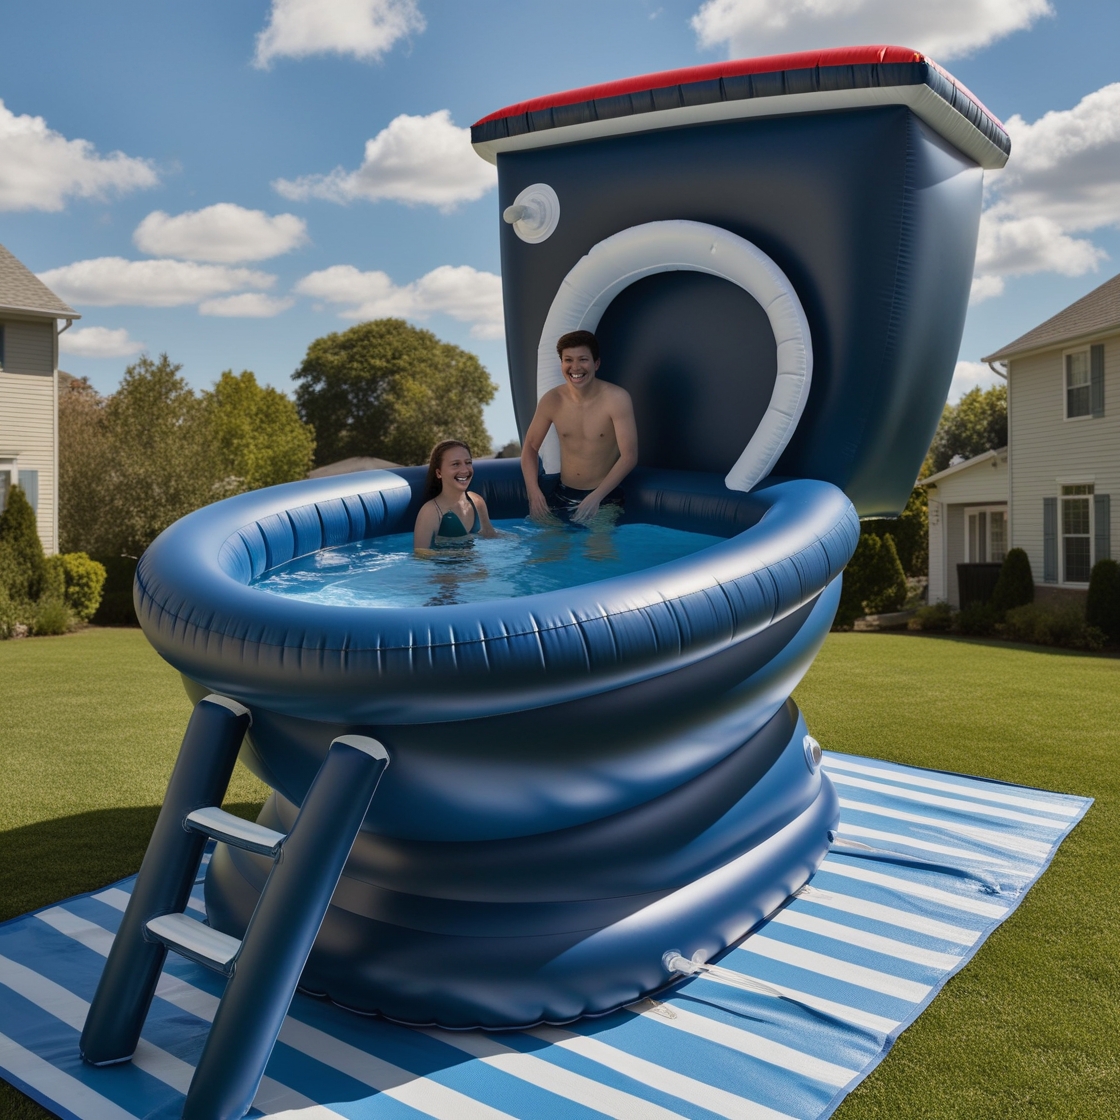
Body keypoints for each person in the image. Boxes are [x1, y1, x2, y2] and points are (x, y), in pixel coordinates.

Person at [520, 330, 638, 525]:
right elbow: (530, 447)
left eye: (583, 359)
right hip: (562, 493)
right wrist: (534, 493)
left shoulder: (617, 399)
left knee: (597, 551)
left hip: (605, 497)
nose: (575, 367)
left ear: (596, 363)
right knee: (548, 552)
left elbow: (629, 456)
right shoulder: (552, 400)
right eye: (568, 360)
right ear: (562, 364)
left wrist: (596, 497)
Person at [413, 440, 499, 551]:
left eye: (468, 462)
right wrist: (459, 556)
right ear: (439, 473)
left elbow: (491, 537)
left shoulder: (477, 502)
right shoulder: (430, 512)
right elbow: (421, 556)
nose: (464, 470)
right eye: (455, 464)